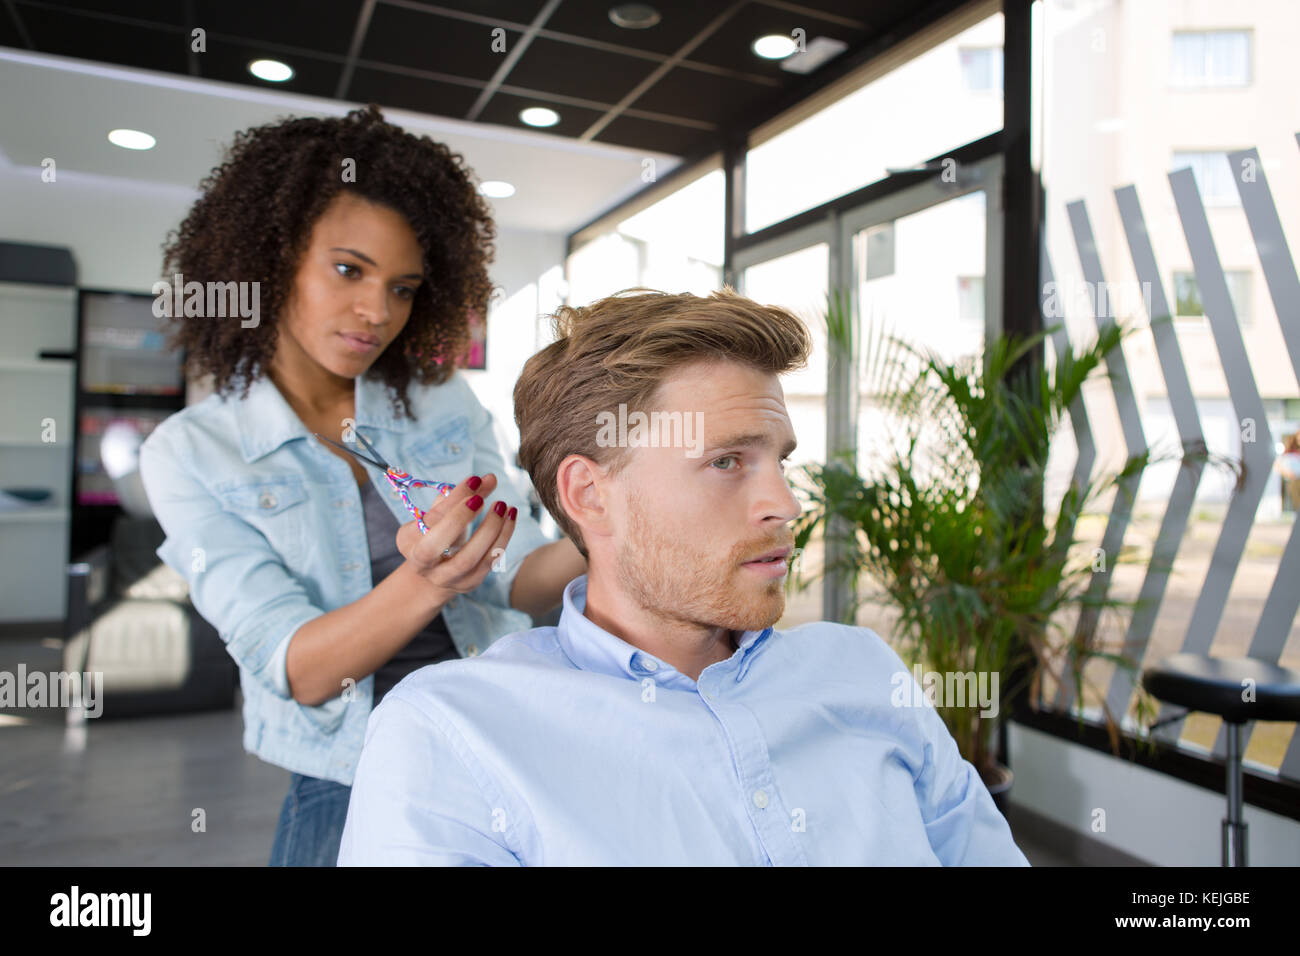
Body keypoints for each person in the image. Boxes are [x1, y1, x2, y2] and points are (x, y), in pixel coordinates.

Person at [337, 288, 1030, 866]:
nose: (785, 504)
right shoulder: (452, 733)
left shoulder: (860, 671)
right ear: (589, 495)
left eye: (779, 461)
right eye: (728, 461)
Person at [138, 104, 586, 867]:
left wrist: (605, 524)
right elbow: (300, 669)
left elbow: (518, 578)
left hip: (502, 740)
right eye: (349, 270)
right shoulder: (192, 454)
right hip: (350, 780)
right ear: (271, 261)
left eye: (404, 287)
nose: (377, 312)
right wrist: (428, 581)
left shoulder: (442, 401)